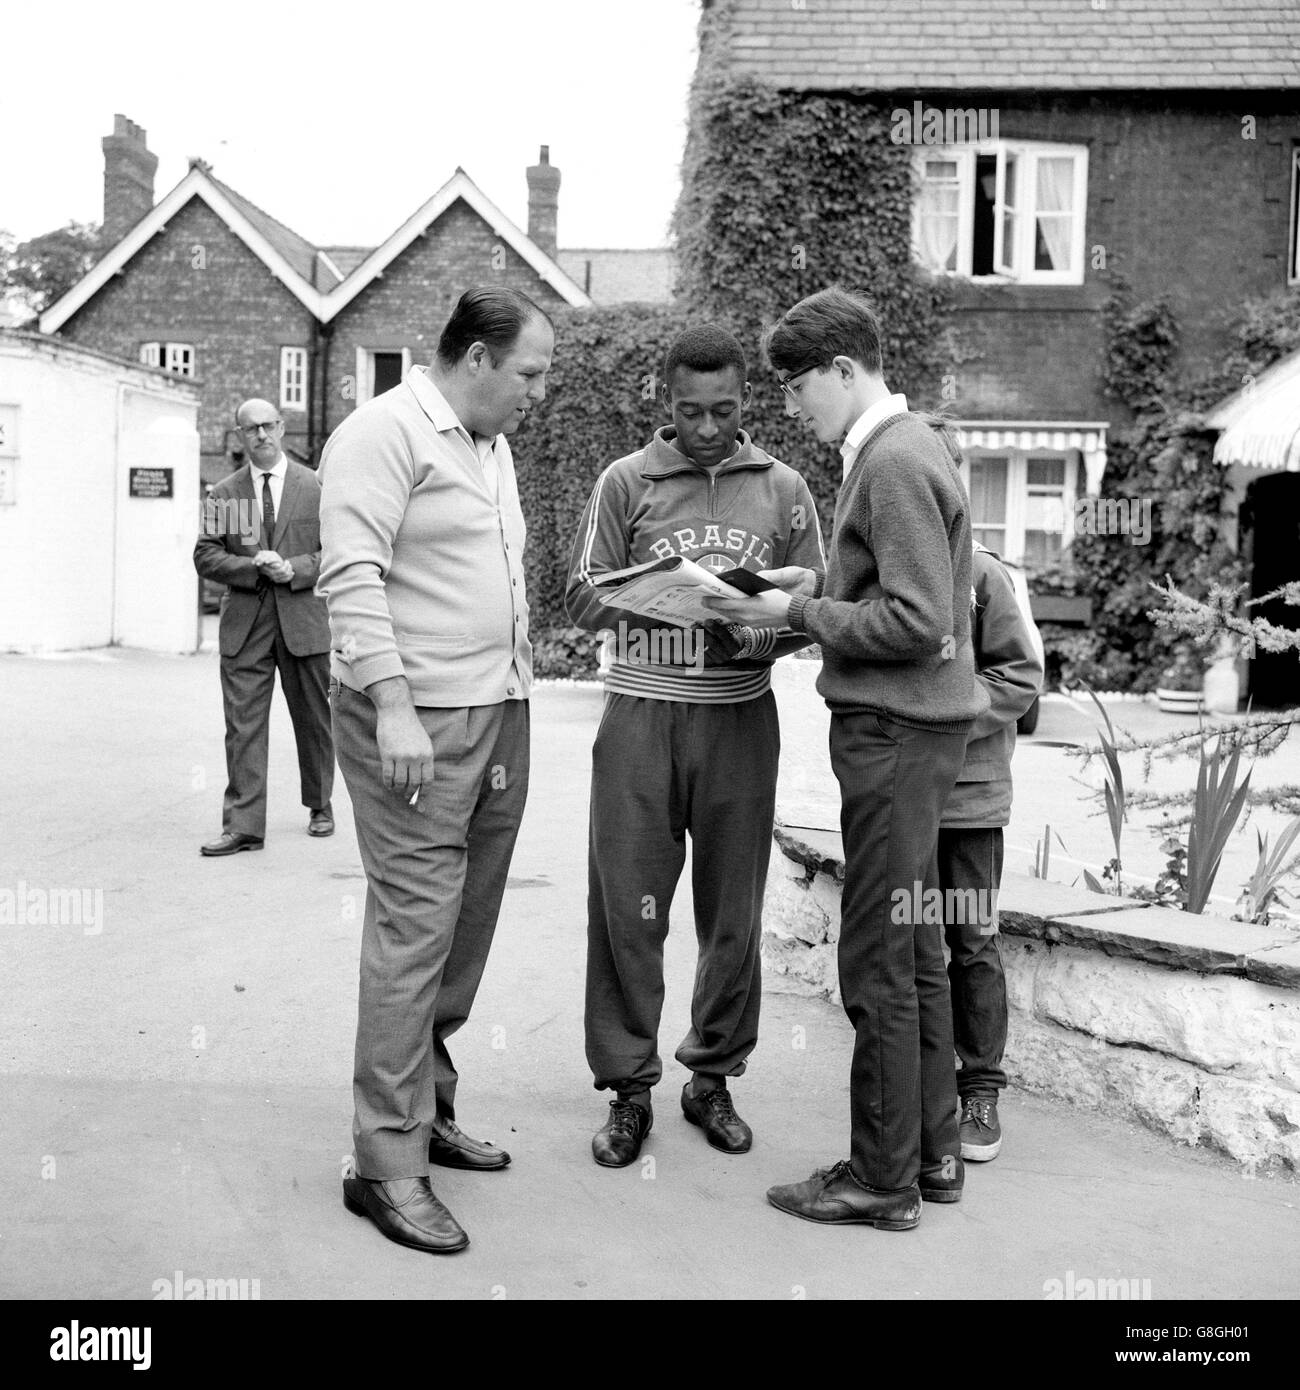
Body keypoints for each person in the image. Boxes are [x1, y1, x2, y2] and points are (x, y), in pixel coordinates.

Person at [704, 286, 989, 1231]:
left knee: (875, 959)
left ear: (843, 369)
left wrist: (795, 612)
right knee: (914, 951)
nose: (789, 406)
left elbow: (917, 620)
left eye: (796, 387)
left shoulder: (894, 460)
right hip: (920, 733)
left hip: (897, 738)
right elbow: (897, 587)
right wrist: (816, 585)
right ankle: (932, 1156)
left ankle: (879, 1179)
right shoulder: (901, 450)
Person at [318, 286, 553, 1255]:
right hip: (412, 722)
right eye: (531, 372)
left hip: (497, 710)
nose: (539, 392)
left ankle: (427, 1103)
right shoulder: (383, 434)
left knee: (466, 919)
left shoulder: (486, 442)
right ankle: (384, 1163)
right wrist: (397, 706)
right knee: (417, 924)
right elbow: (351, 573)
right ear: (475, 358)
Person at [565, 324, 825, 1169]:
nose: (707, 429)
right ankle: (630, 1087)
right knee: (626, 908)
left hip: (739, 723)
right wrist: (669, 605)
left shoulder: (784, 489)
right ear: (664, 402)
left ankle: (711, 1077)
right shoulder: (624, 482)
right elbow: (580, 596)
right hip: (641, 715)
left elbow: (813, 607)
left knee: (732, 913)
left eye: (722, 411)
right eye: (689, 412)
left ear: (745, 400)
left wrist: (765, 636)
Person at [193, 400, 334, 855]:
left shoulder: (314, 486)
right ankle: (244, 825)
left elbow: (335, 551)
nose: (261, 435)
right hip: (247, 625)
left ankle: (320, 804)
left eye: (269, 426)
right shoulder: (228, 493)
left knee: (313, 719)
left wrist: (292, 568)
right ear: (239, 435)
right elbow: (207, 555)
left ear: (283, 428)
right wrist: (256, 565)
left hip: (303, 620)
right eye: (251, 428)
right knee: (244, 725)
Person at [941, 544, 1041, 1162]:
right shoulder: (880, 566)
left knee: (972, 941)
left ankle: (980, 1092)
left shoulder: (982, 573)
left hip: (970, 802)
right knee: (908, 943)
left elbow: (1021, 676)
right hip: (898, 797)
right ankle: (923, 1088)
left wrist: (938, 717)